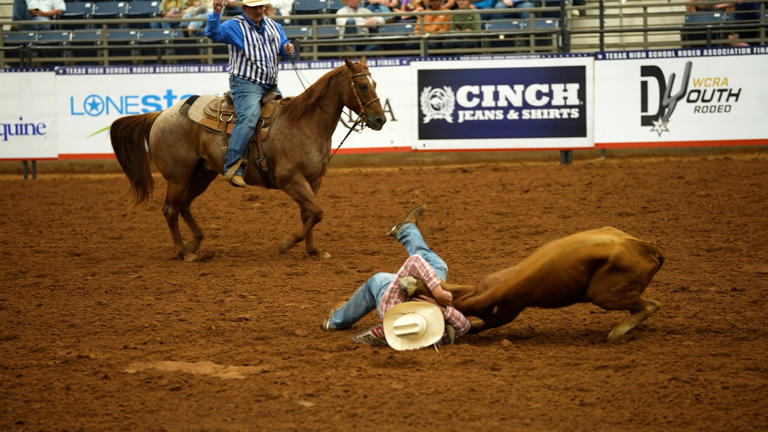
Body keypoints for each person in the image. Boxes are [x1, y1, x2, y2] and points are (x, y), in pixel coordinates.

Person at [321, 205, 471, 348]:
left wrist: (437, 295)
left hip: (394, 296)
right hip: (416, 304)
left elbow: (414, 262)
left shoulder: (390, 306)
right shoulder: (437, 337)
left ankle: (335, 321)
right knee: (438, 265)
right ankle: (406, 229)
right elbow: (464, 326)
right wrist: (442, 310)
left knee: (377, 281)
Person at [205, 0, 295, 187]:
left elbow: (283, 47)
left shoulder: (274, 26)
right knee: (249, 117)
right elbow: (212, 33)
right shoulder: (234, 25)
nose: (259, 11)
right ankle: (232, 165)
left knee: (286, 116)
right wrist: (215, 13)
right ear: (244, 9)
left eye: (261, 7)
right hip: (246, 84)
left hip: (269, 85)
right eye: (254, 7)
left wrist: (288, 49)